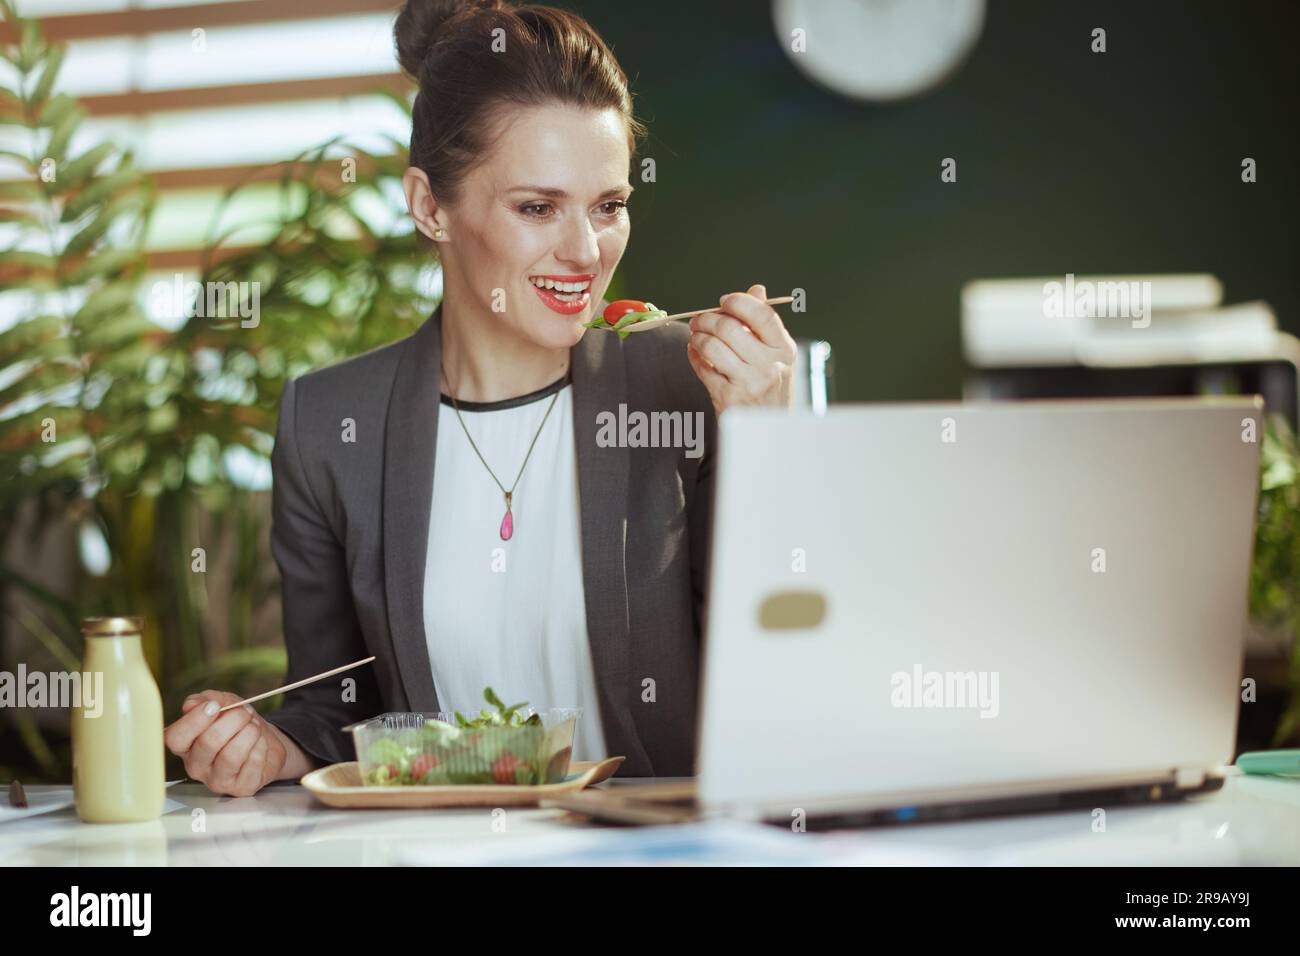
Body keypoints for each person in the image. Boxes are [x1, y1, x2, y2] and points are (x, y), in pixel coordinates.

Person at [165, 0, 796, 797]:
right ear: (431, 206)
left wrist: (770, 453)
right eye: (538, 207)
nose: (584, 251)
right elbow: (334, 709)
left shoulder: (693, 386)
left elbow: (791, 673)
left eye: (609, 206)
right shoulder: (329, 426)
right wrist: (269, 745)